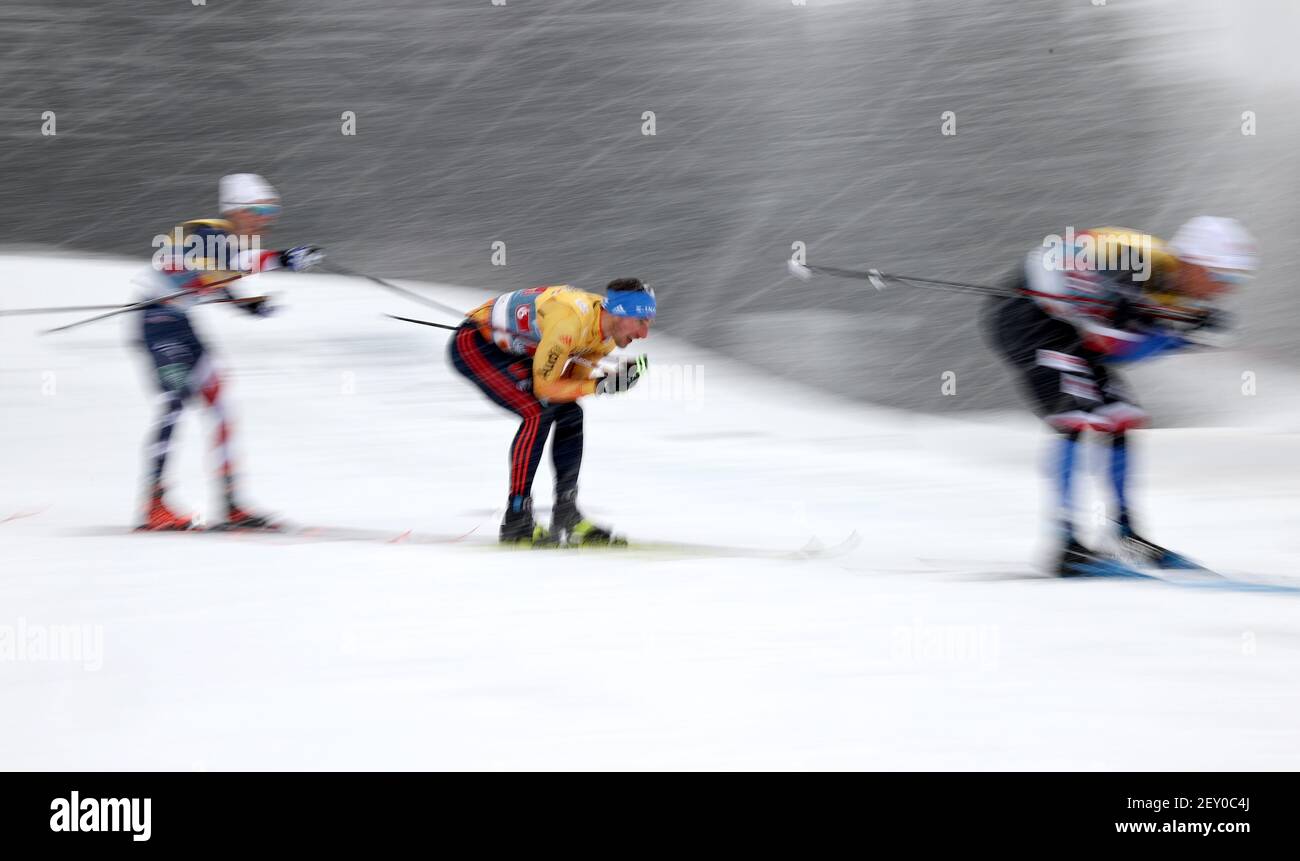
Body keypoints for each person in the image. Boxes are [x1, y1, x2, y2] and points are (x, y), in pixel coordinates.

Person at [984, 217, 1257, 575]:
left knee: (1120, 415)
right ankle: (1067, 547)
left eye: (1237, 281)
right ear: (1194, 262)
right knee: (1079, 415)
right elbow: (1109, 343)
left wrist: (1175, 332)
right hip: (1027, 317)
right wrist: (1174, 335)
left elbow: (1118, 349)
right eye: (1223, 277)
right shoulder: (1138, 261)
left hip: (1065, 328)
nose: (1226, 290)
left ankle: (1126, 536)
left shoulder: (1174, 289)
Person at [135, 173, 324, 531]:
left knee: (220, 406)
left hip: (180, 323)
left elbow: (214, 280)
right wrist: (283, 259)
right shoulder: (206, 231)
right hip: (157, 324)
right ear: (236, 210)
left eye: (272, 209)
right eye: (259, 209)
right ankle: (153, 505)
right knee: (175, 403)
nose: (267, 217)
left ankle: (232, 504)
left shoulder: (229, 244)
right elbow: (216, 272)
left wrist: (246, 305)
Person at [449, 278, 655, 544]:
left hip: (512, 350)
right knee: (536, 411)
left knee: (570, 413)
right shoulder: (570, 322)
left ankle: (565, 511)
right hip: (475, 343)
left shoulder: (606, 337)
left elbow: (570, 385)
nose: (644, 334)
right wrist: (601, 386)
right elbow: (546, 389)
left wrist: (602, 384)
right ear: (619, 313)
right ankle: (516, 517)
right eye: (641, 322)